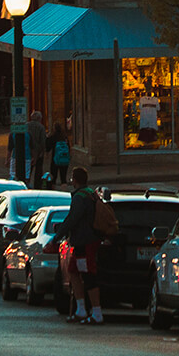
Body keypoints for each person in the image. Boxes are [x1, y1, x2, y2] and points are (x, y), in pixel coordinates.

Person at [56, 166, 105, 325]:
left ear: (74, 180)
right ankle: (81, 309)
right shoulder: (91, 194)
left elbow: (72, 219)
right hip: (86, 241)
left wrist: (57, 236)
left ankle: (96, 313)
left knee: (88, 275)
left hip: (84, 242)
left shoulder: (79, 197)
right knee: (74, 271)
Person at [25, 111, 47, 186]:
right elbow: (43, 141)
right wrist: (42, 152)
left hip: (28, 151)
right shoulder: (41, 127)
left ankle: (26, 183)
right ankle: (37, 185)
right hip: (38, 151)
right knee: (38, 170)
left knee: (28, 169)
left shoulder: (26, 125)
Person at [48, 122, 72, 187]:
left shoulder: (53, 136)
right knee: (63, 178)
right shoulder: (64, 137)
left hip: (55, 159)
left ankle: (54, 192)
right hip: (64, 159)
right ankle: (64, 191)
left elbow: (47, 148)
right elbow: (69, 147)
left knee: (53, 177)